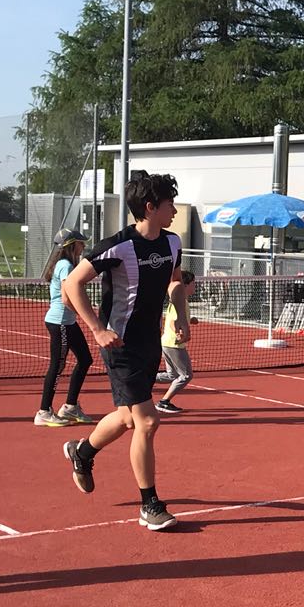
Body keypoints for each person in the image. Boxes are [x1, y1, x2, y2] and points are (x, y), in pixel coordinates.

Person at [59, 171, 183, 531]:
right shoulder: (117, 245)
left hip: (149, 344)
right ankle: (150, 505)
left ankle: (81, 453)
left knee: (128, 419)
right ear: (150, 207)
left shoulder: (173, 243)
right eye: (169, 203)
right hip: (121, 345)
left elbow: (175, 281)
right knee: (147, 420)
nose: (174, 209)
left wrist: (181, 317)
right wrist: (97, 330)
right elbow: (71, 284)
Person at [34, 227, 95, 427]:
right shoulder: (66, 266)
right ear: (71, 245)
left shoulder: (67, 264)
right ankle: (44, 411)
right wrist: (87, 316)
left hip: (67, 321)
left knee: (85, 359)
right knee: (57, 366)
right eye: (80, 242)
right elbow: (67, 297)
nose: (83, 246)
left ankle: (70, 407)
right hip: (60, 321)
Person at [155, 268, 197, 416]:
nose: (195, 286)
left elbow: (179, 318)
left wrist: (190, 320)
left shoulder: (181, 302)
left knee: (172, 375)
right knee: (186, 375)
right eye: (193, 283)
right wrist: (180, 333)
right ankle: (164, 402)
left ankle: (144, 377)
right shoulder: (181, 302)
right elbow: (173, 321)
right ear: (185, 285)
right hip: (174, 344)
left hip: (167, 342)